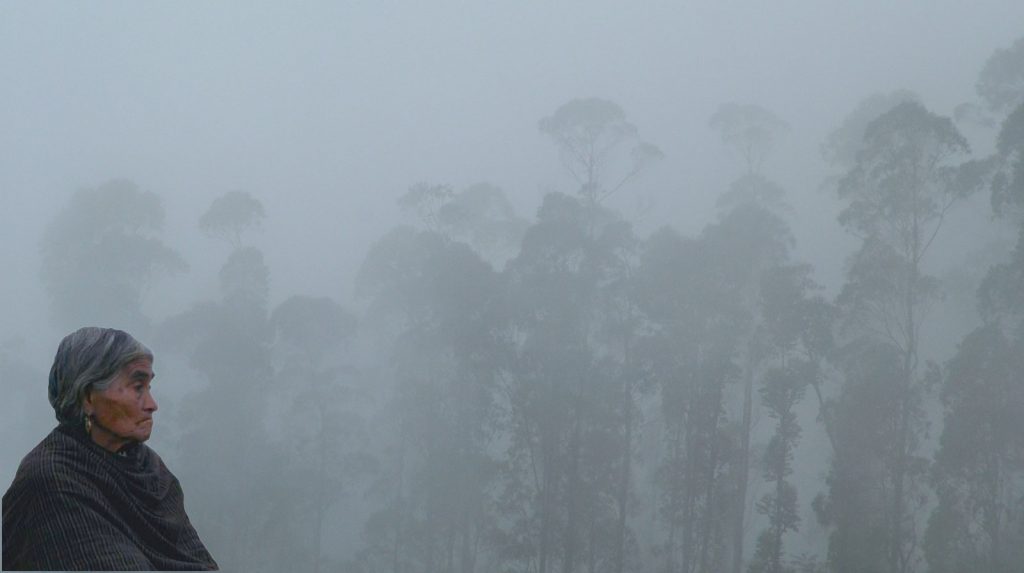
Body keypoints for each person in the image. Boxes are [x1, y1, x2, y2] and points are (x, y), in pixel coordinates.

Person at [2, 327, 218, 571]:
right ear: (88, 397)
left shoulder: (150, 470)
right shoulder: (50, 480)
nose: (152, 404)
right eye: (137, 387)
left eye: (149, 388)